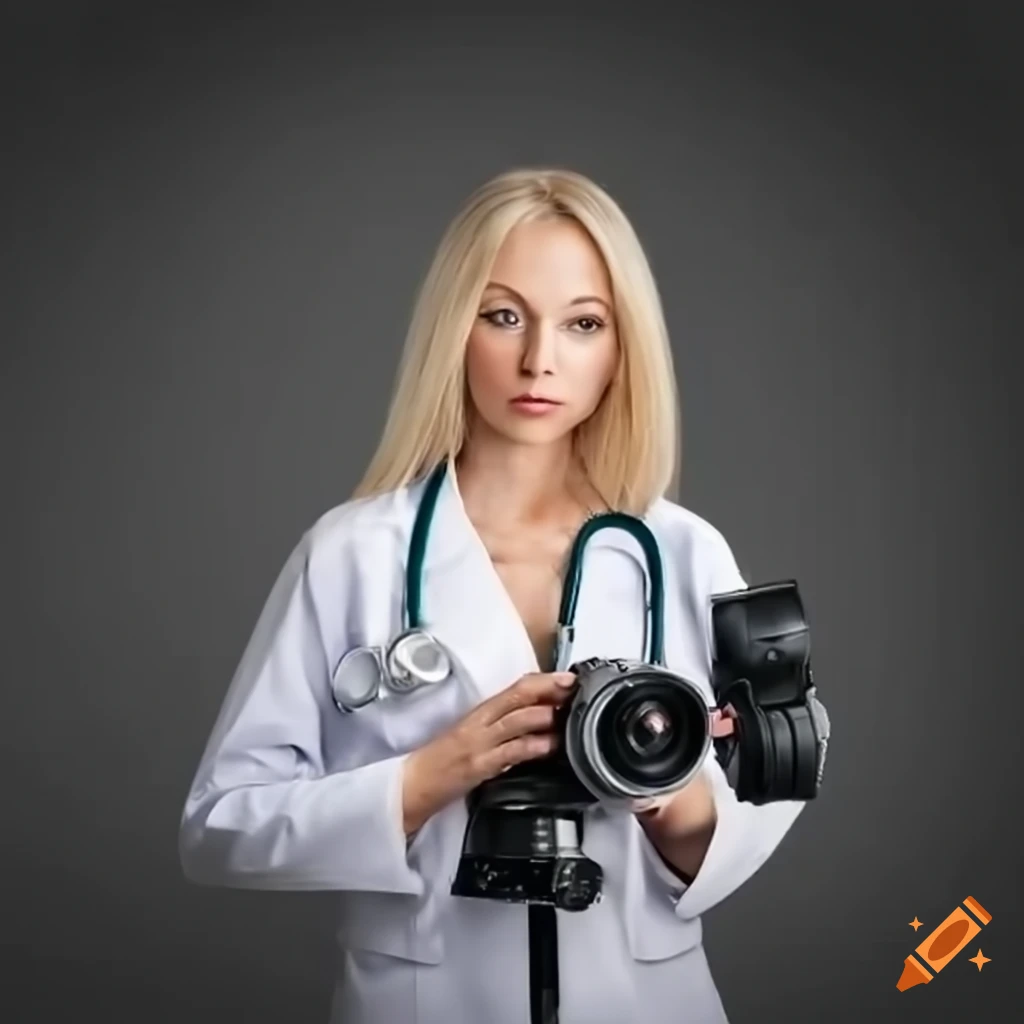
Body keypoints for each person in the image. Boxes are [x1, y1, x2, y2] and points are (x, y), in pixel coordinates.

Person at [178, 167, 809, 1024]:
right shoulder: (354, 555)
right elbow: (220, 829)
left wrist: (661, 791)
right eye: (503, 315)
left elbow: (770, 790)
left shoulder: (684, 553)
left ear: (622, 348)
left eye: (583, 323)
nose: (538, 359)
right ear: (453, 329)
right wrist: (429, 776)